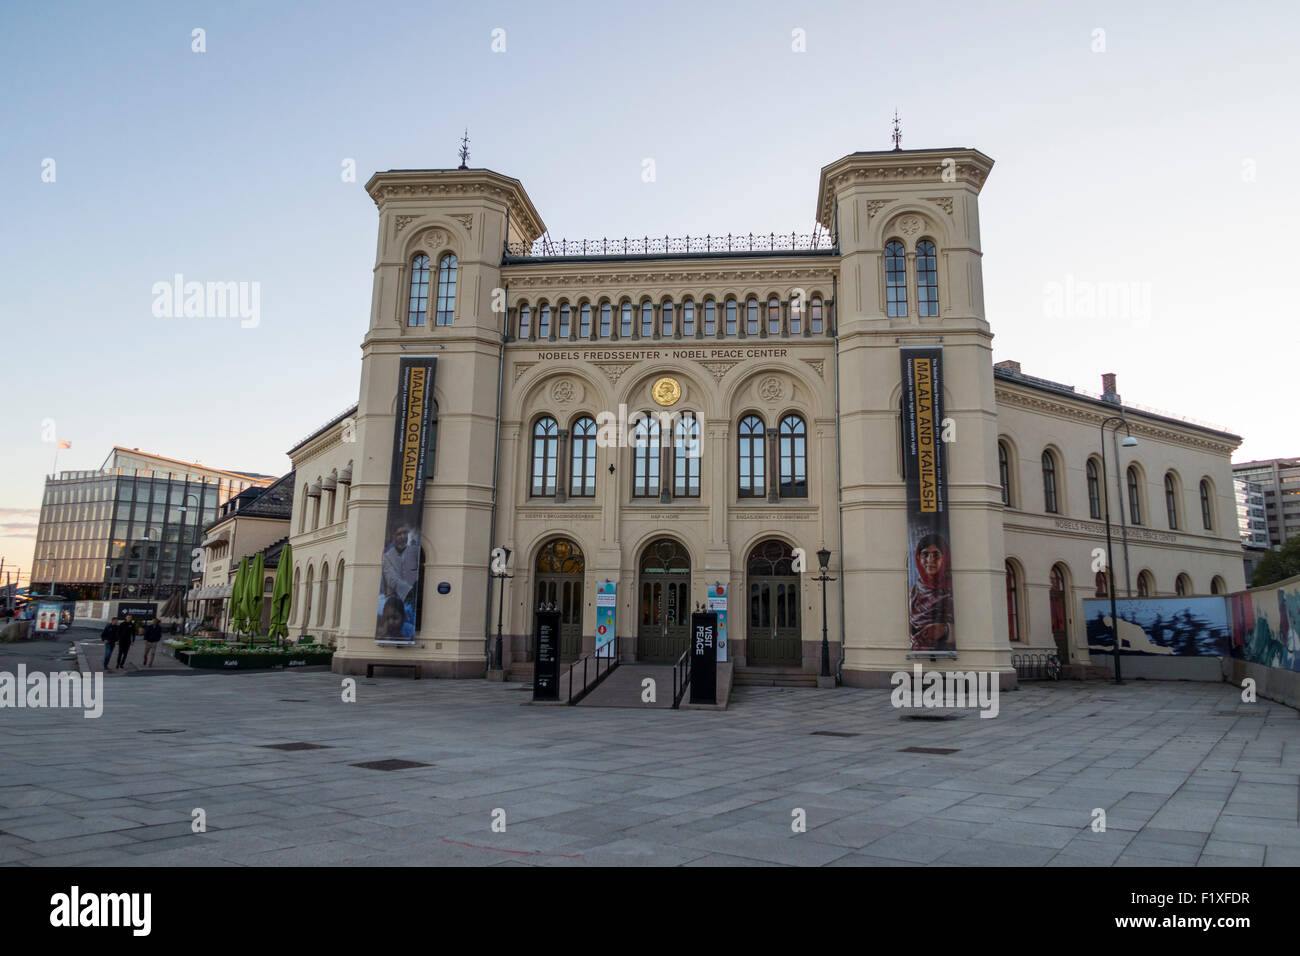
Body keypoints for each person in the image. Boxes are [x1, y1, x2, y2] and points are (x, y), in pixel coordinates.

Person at [908, 533, 954, 651]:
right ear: (918, 558)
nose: (930, 560)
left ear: (945, 558)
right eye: (925, 554)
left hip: (947, 652)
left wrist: (945, 630)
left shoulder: (953, 589)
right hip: (918, 653)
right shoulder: (912, 593)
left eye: (936, 555)